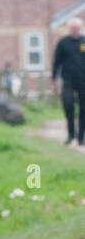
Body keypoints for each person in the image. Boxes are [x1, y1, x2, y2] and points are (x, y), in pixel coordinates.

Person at [52, 17, 85, 146]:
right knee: (68, 104)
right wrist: (53, 80)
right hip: (68, 79)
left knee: (84, 108)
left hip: (83, 80)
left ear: (80, 28)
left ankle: (81, 137)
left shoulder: (84, 41)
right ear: (69, 29)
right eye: (73, 28)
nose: (75, 31)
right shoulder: (63, 42)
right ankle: (71, 134)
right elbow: (56, 62)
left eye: (77, 28)